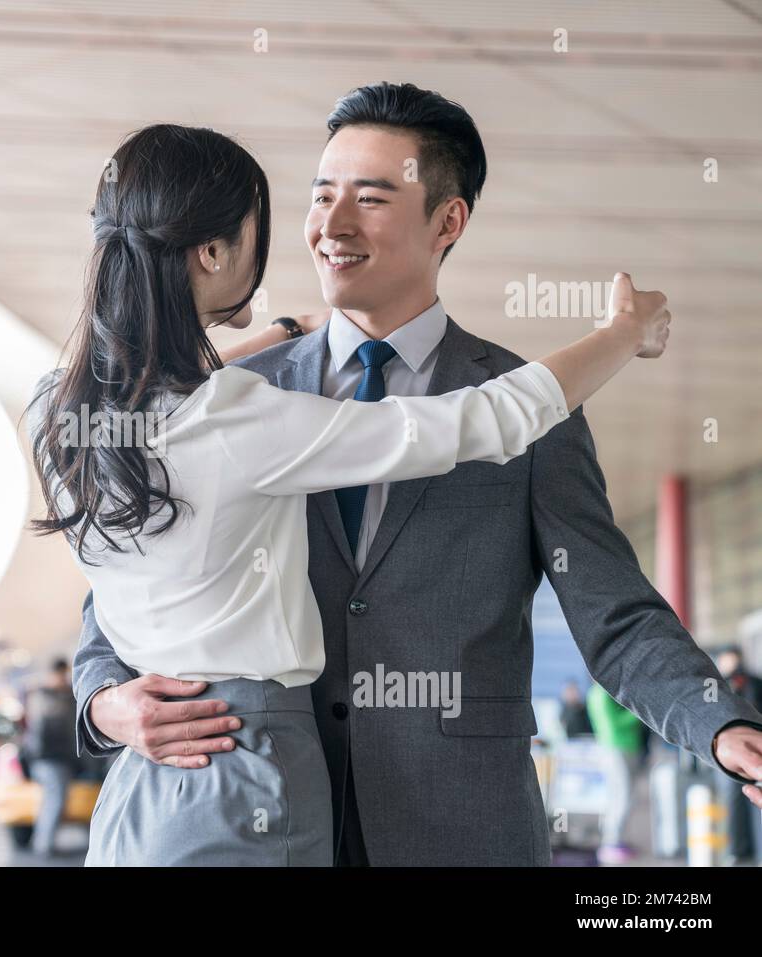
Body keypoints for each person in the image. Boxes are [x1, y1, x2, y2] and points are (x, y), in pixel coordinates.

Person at [67, 83, 762, 867]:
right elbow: (125, 585)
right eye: (320, 195)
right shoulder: (234, 397)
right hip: (259, 811)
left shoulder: (538, 410)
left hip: (461, 830)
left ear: (448, 220)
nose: (331, 225)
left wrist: (719, 723)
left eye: (369, 198)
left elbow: (615, 612)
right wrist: (103, 701)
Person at [21, 657, 79, 857]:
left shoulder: (46, 695)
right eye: (62, 674)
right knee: (54, 800)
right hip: (49, 758)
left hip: (51, 758)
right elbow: (44, 730)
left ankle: (43, 843)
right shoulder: (47, 697)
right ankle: (44, 845)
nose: (64, 679)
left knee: (52, 800)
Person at [713, 646, 762, 864]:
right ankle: (737, 850)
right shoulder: (715, 684)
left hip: (753, 747)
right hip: (728, 753)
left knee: (755, 803)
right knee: (733, 801)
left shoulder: (753, 681)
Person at [586, 683, 644, 864]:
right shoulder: (603, 693)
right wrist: (639, 713)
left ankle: (612, 841)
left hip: (613, 747)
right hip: (619, 747)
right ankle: (612, 842)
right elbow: (617, 722)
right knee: (624, 797)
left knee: (616, 797)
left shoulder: (594, 693)